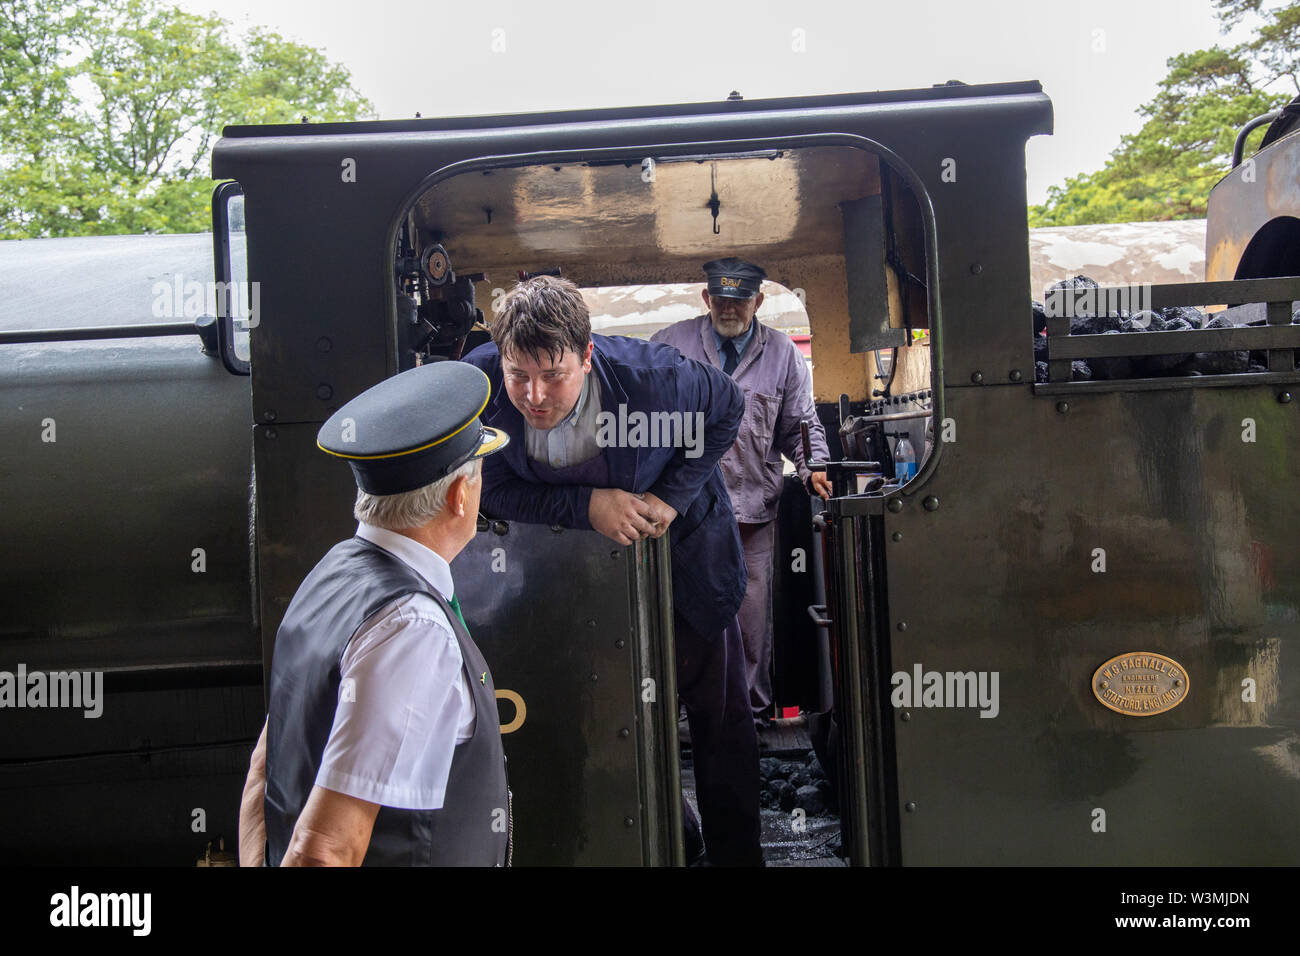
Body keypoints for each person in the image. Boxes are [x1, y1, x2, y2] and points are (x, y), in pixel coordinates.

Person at [462, 275, 762, 866]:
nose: (535, 395)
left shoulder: (656, 378)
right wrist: (586, 506)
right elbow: (490, 489)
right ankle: (669, 837)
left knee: (718, 717)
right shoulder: (480, 386)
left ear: (588, 355)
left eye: (554, 375)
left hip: (685, 564)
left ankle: (736, 857)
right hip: (573, 587)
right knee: (607, 715)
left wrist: (673, 497)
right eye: (519, 374)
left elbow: (728, 406)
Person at [237, 361, 512, 866]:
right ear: (459, 495)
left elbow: (264, 771)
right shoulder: (411, 628)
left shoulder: (333, 572)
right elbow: (323, 850)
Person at [651, 259, 831, 733]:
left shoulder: (783, 355)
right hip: (683, 515)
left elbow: (801, 424)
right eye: (721, 299)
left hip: (753, 510)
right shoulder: (670, 345)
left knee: (751, 622)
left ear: (759, 302)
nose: (730, 307)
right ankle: (679, 724)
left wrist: (815, 467)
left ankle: (747, 721)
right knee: (682, 616)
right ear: (707, 299)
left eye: (741, 299)